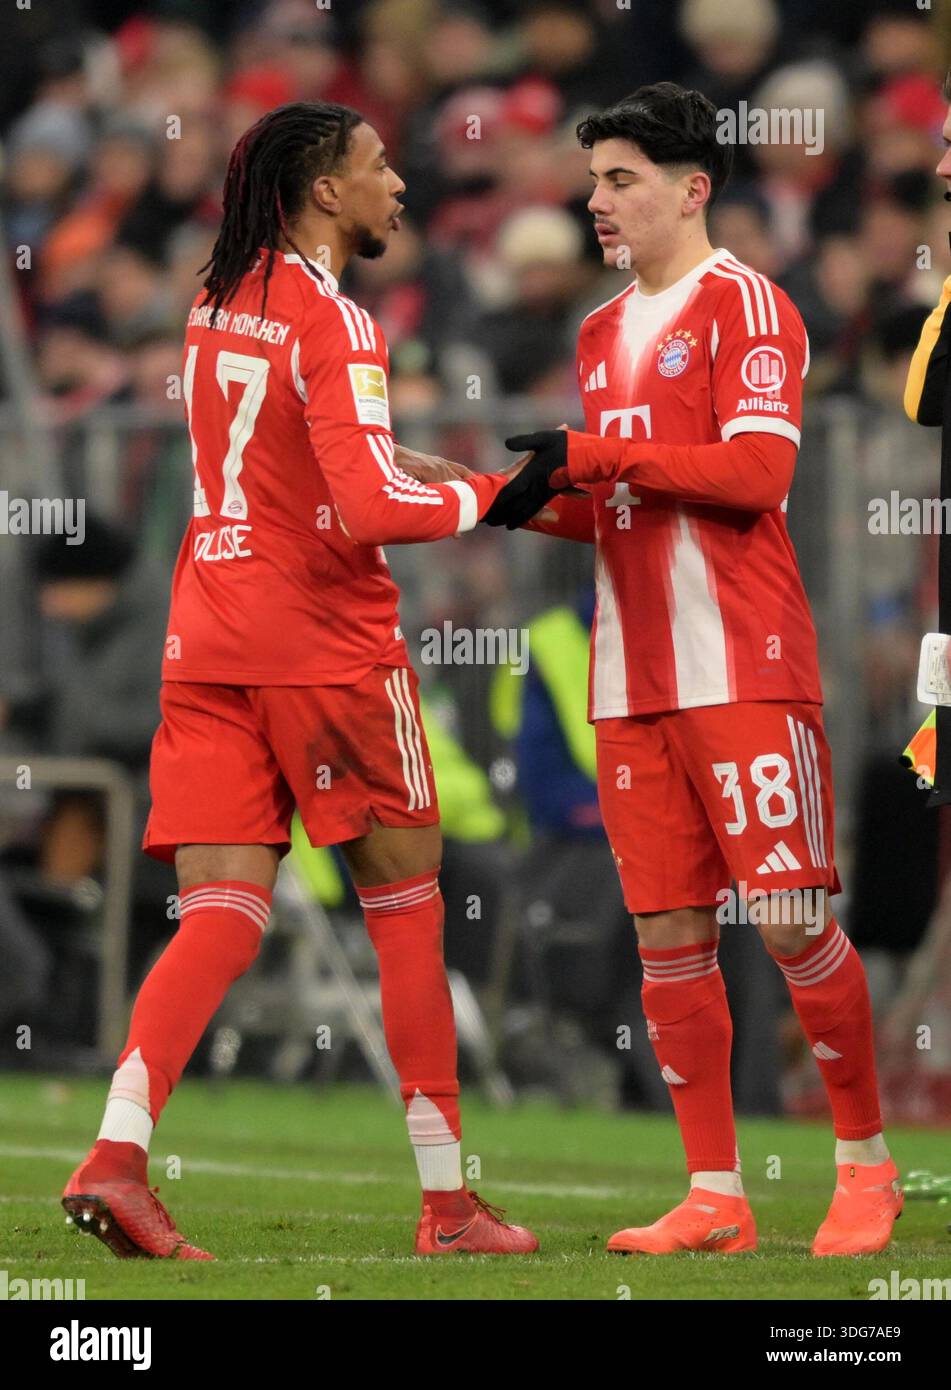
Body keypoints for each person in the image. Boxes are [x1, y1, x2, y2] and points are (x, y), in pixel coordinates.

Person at [62, 101, 536, 1260]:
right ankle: (447, 1205)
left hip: (208, 633)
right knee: (409, 914)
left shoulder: (215, 299)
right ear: (325, 190)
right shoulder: (337, 318)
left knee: (222, 911)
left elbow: (305, 461)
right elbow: (365, 508)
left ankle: (117, 1156)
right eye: (380, 168)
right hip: (324, 647)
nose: (398, 186)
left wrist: (408, 460)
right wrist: (490, 497)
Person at [485, 83, 901, 1257]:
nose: (597, 200)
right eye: (593, 180)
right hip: (632, 676)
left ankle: (866, 1164)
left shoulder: (749, 307)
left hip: (746, 664)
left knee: (788, 918)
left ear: (692, 187)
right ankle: (714, 1191)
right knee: (668, 935)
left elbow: (754, 474)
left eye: (620, 178)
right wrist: (495, 499)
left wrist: (594, 456)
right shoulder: (598, 328)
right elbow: (623, 498)